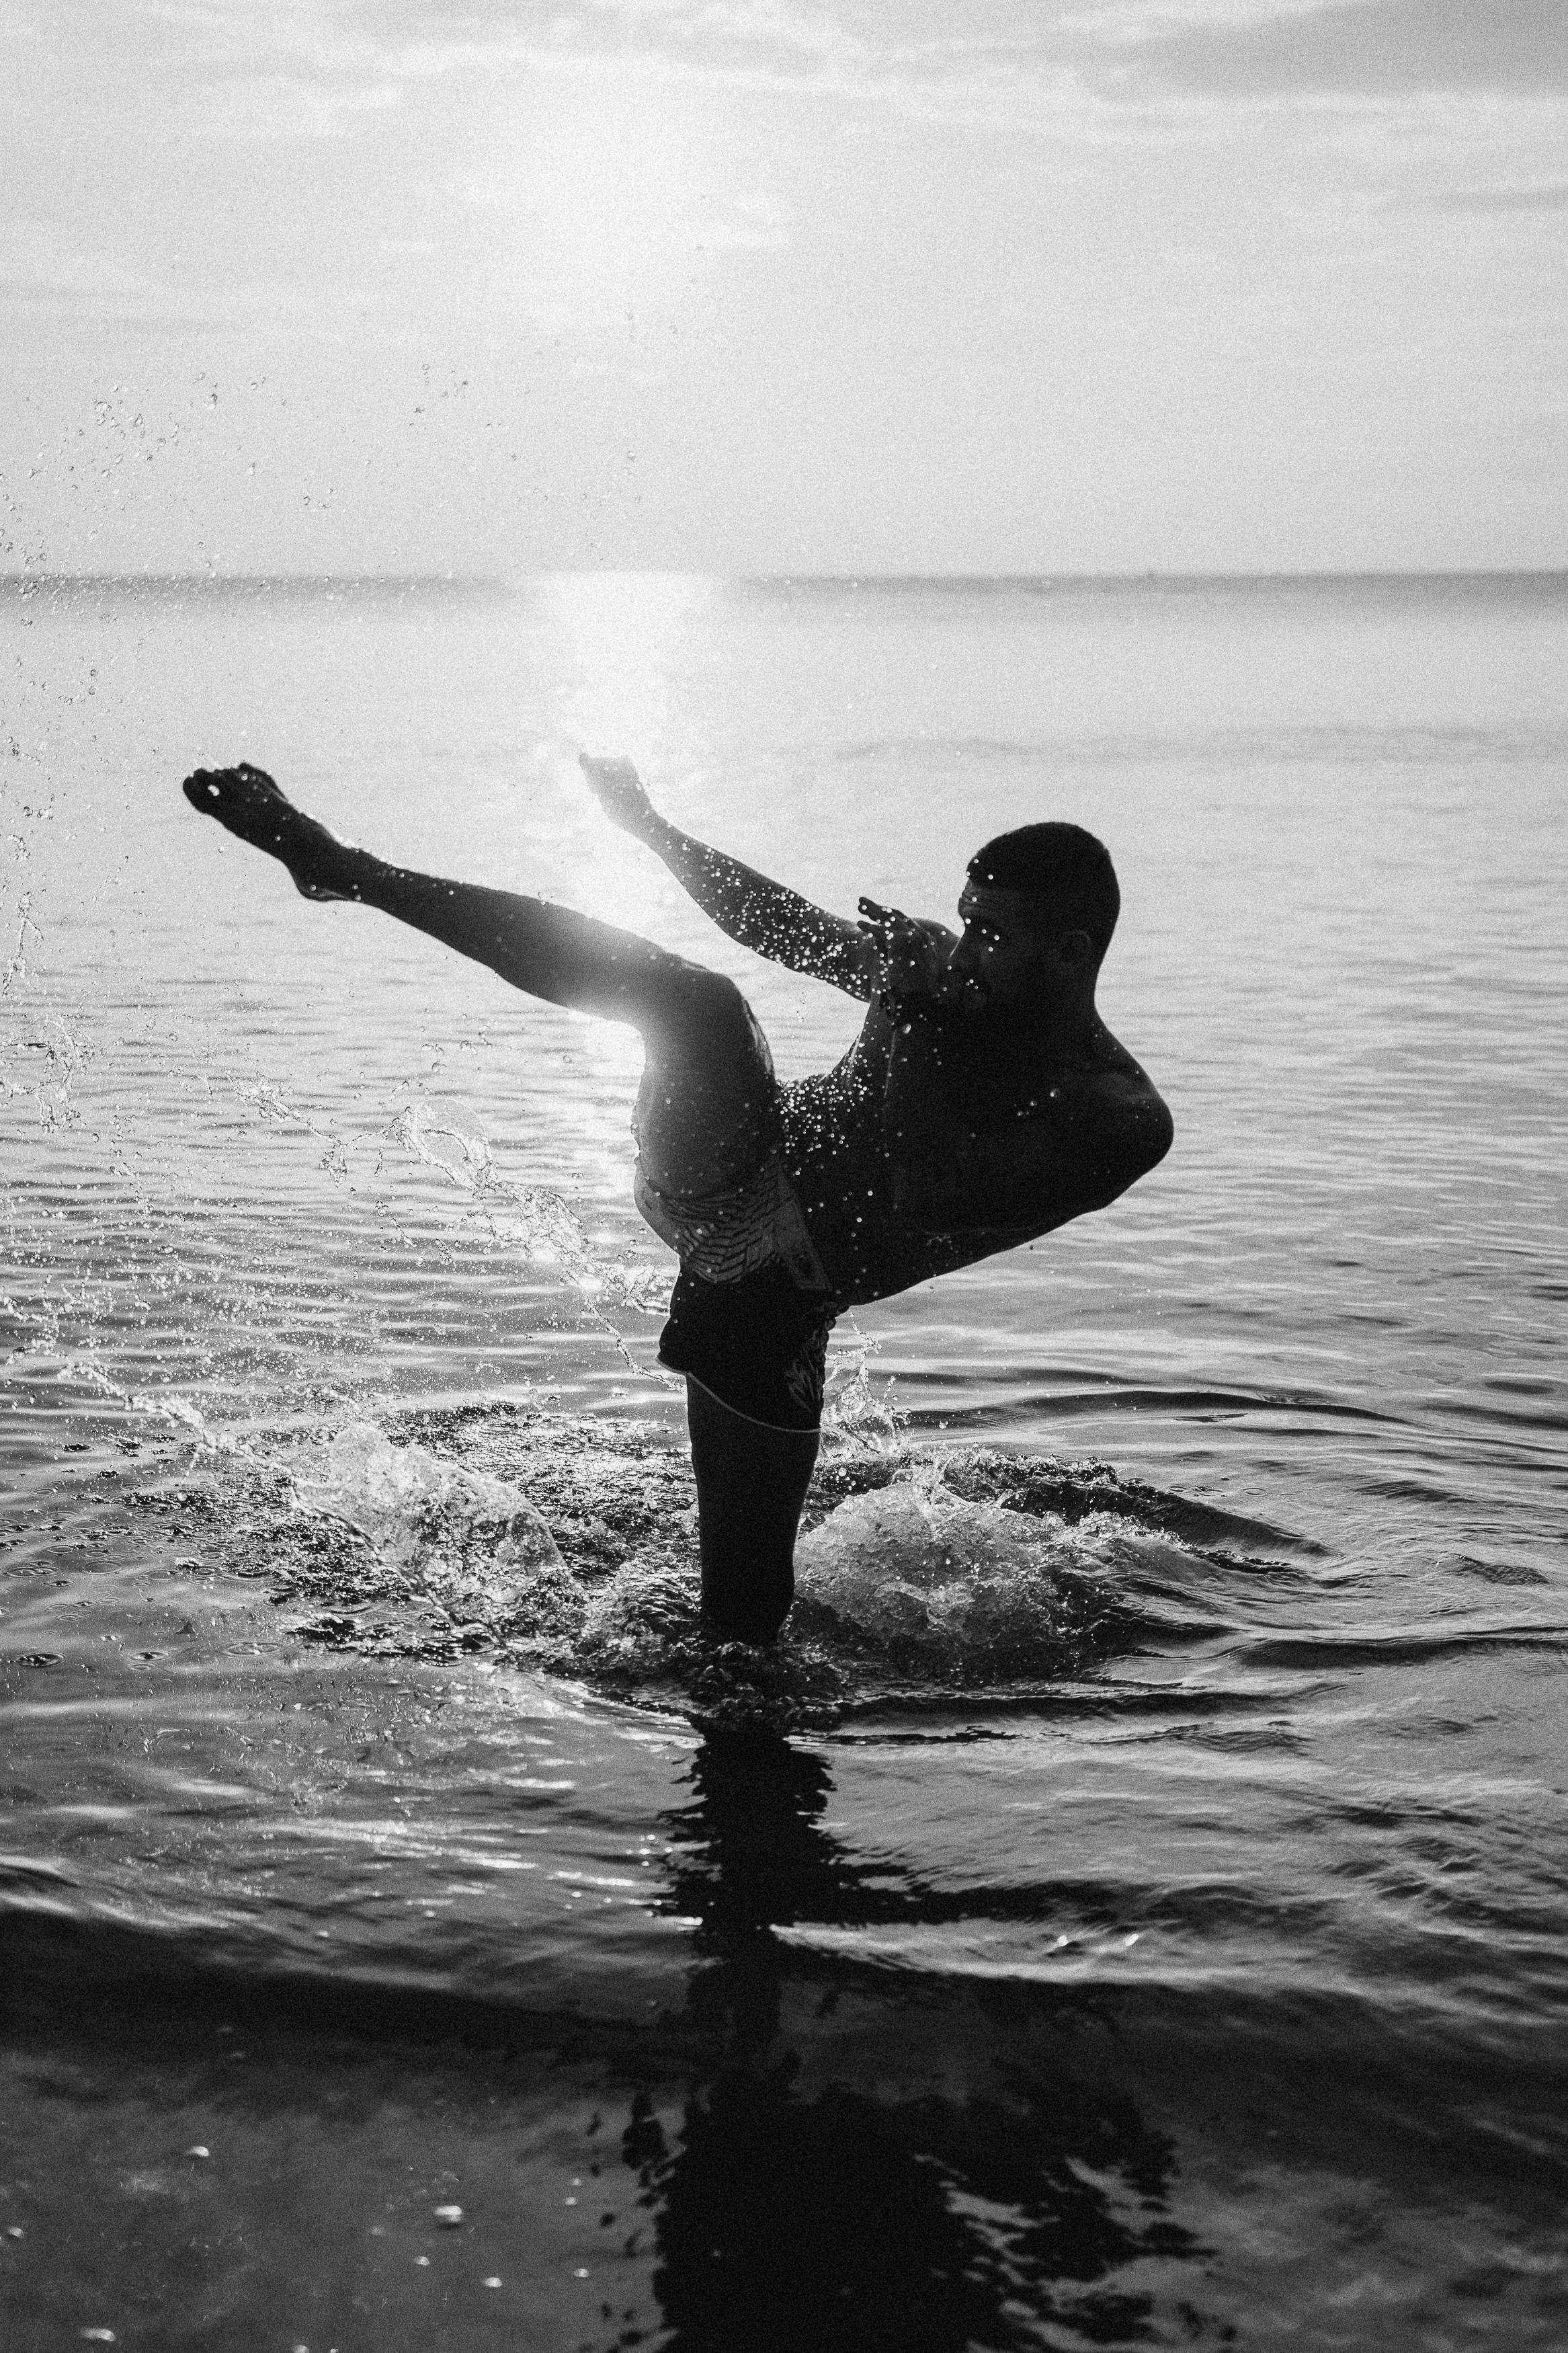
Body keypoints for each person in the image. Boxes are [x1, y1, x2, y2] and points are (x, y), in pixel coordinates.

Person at [181, 756, 1172, 1643]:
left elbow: (924, 1189)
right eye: (962, 923)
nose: (960, 953)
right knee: (696, 1004)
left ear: (1070, 951)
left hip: (776, 1299)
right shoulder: (948, 988)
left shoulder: (1114, 1118)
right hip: (727, 1160)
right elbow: (778, 929)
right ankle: (341, 866)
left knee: (744, 1629)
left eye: (989, 935)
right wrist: (653, 832)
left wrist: (908, 1005)